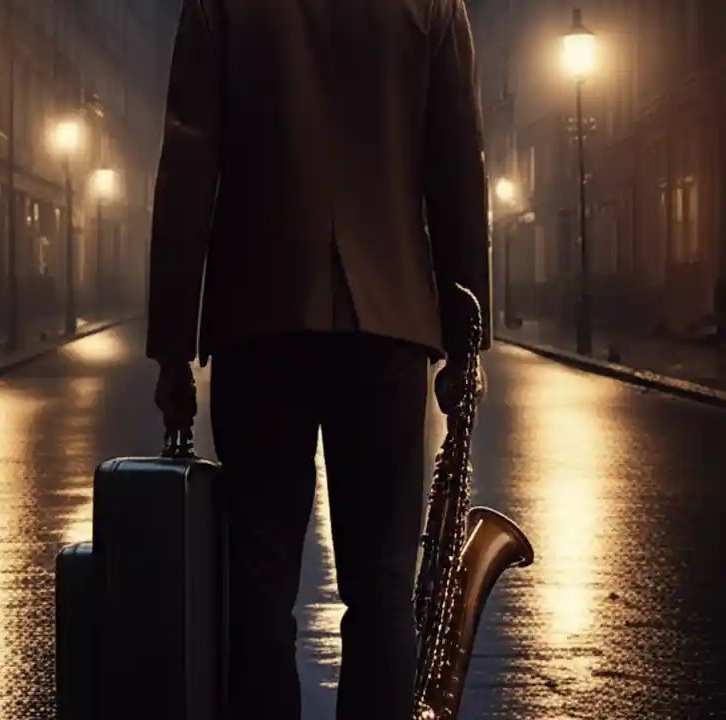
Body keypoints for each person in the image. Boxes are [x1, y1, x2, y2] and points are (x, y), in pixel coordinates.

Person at [145, 1, 490, 718]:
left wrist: (174, 349)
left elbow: (186, 166)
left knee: (259, 582)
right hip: (389, 323)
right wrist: (465, 342)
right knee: (385, 583)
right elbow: (457, 169)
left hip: (259, 317)